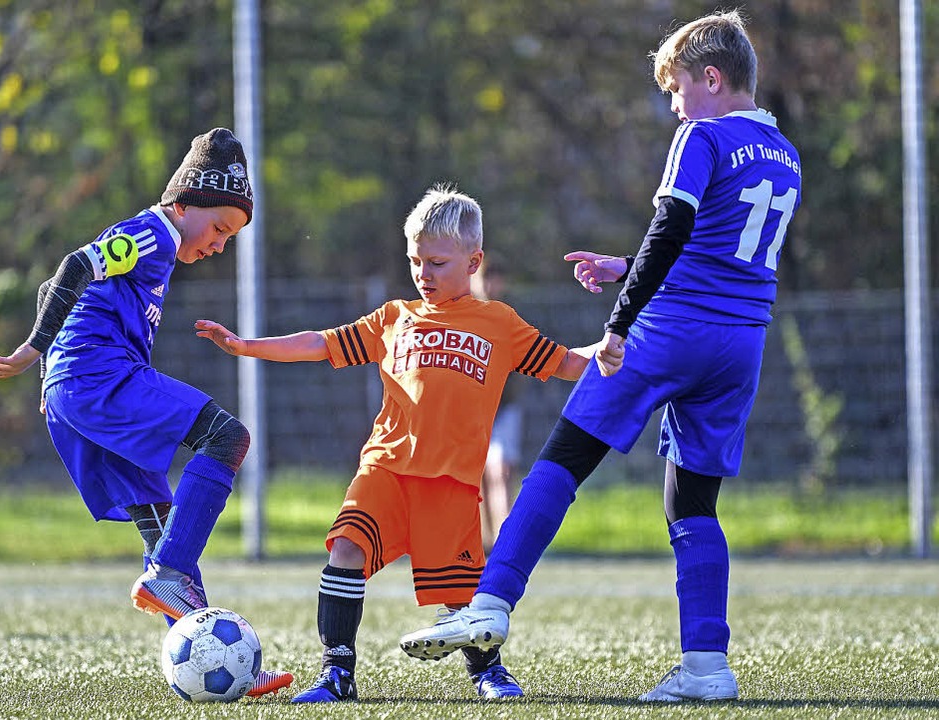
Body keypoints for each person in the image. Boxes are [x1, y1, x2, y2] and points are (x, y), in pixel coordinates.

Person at [399, 10, 802, 703]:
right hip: (740, 343)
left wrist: (618, 321)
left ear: (710, 78)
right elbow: (714, 247)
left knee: (562, 456)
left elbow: (671, 223)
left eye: (676, 87)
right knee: (692, 503)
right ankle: (707, 666)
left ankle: (491, 602)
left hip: (669, 331)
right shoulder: (782, 153)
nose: (672, 104)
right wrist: (625, 265)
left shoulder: (699, 134)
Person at [195, 184, 599, 703]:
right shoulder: (394, 318)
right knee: (345, 549)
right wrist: (249, 346)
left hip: (450, 484)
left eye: (437, 262)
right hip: (385, 468)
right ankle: (336, 674)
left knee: (462, 596)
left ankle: (488, 673)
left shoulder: (499, 323)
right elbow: (322, 343)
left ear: (474, 261)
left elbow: (567, 362)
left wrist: (619, 353)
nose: (424, 274)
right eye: (415, 262)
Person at [0, 128, 293, 698]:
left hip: (73, 391)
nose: (220, 244)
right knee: (228, 438)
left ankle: (228, 669)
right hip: (97, 378)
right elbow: (74, 266)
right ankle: (170, 575)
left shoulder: (160, 242)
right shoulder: (151, 233)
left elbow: (53, 285)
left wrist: (55, 376)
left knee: (160, 515)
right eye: (220, 228)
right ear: (185, 204)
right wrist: (35, 348)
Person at [470, 259, 527, 551]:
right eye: (485, 278)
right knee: (473, 478)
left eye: (496, 278)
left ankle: (507, 541)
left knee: (501, 471)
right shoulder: (464, 314)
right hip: (471, 413)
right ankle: (482, 542)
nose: (491, 285)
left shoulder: (509, 316)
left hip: (504, 408)